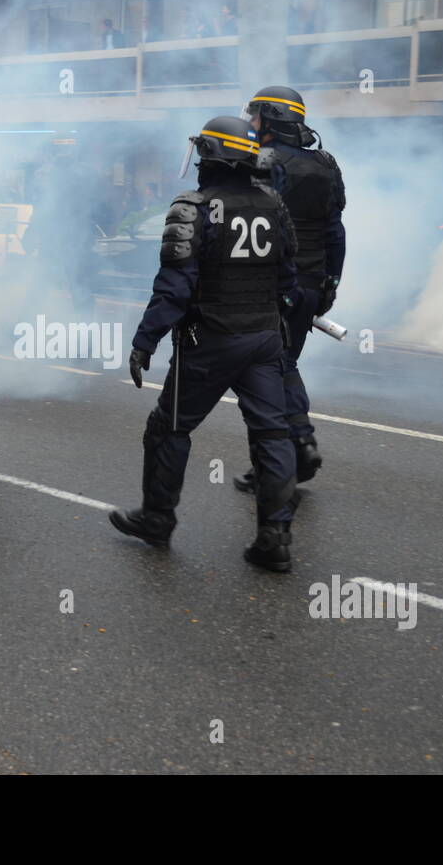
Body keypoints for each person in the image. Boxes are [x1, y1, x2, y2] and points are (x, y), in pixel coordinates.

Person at [109, 115, 302, 573]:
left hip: (210, 341)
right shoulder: (274, 204)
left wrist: (144, 341)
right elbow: (288, 278)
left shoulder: (192, 208)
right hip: (263, 337)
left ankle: (157, 519)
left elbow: (174, 287)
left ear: (210, 156)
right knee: (273, 434)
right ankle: (275, 537)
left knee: (168, 429)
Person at [234, 86, 346, 492]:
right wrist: (330, 283)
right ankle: (291, 452)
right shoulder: (326, 164)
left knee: (261, 374)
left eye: (255, 116)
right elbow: (335, 232)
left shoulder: (259, 162)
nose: (250, 123)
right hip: (311, 285)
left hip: (266, 285)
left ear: (270, 118)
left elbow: (242, 225)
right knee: (283, 365)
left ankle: (291, 451)